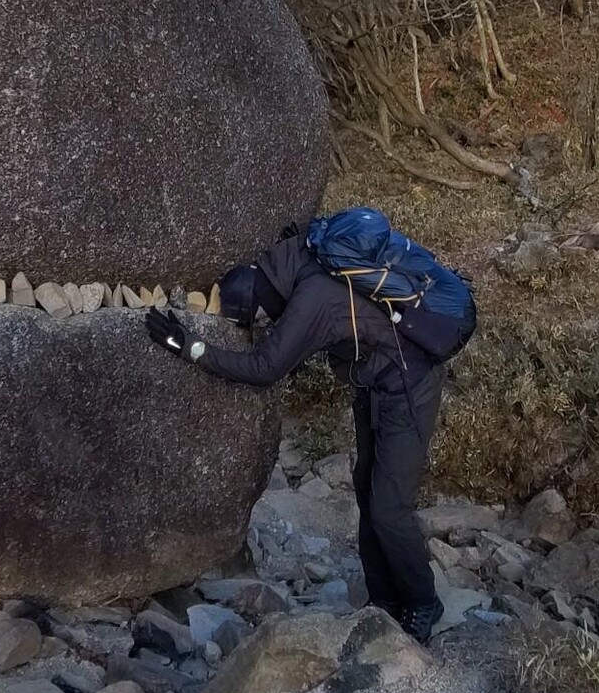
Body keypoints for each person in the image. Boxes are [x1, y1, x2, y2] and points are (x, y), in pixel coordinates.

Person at [144, 226, 448, 643]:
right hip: (375, 380)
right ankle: (384, 602)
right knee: (366, 488)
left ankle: (423, 602)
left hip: (410, 385)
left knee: (390, 507)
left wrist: (191, 348)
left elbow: (265, 369)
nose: (269, 323)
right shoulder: (292, 256)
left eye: (262, 317)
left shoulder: (312, 300)